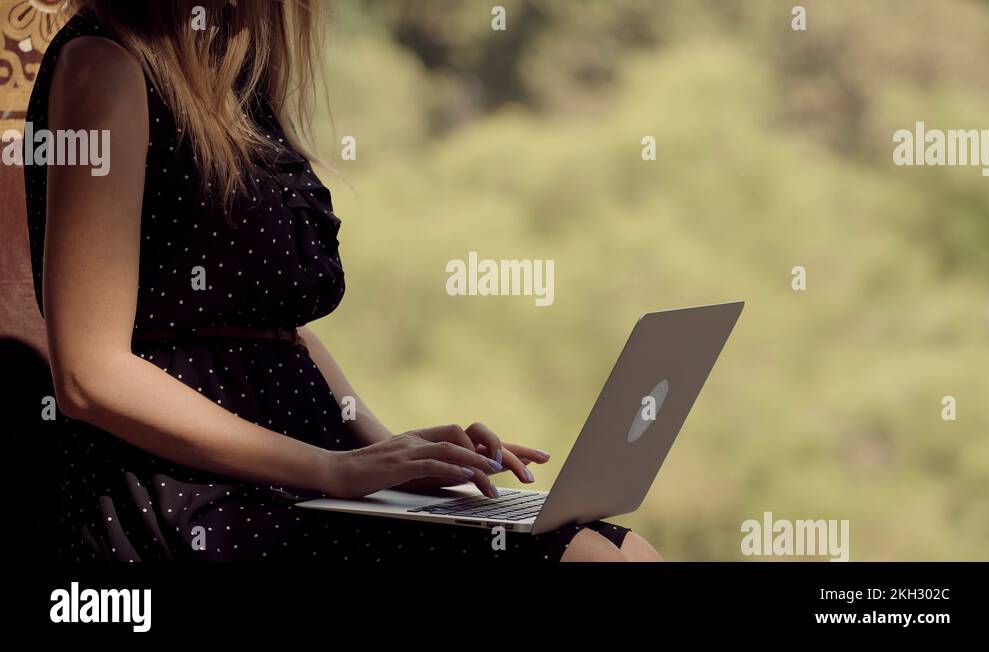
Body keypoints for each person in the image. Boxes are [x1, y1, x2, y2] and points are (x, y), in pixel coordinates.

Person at [24, 0, 662, 562]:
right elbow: (90, 375)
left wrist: (393, 452)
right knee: (585, 560)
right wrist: (335, 470)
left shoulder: (233, 83)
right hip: (191, 495)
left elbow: (273, 330)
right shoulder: (103, 67)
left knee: (626, 548)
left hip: (306, 468)